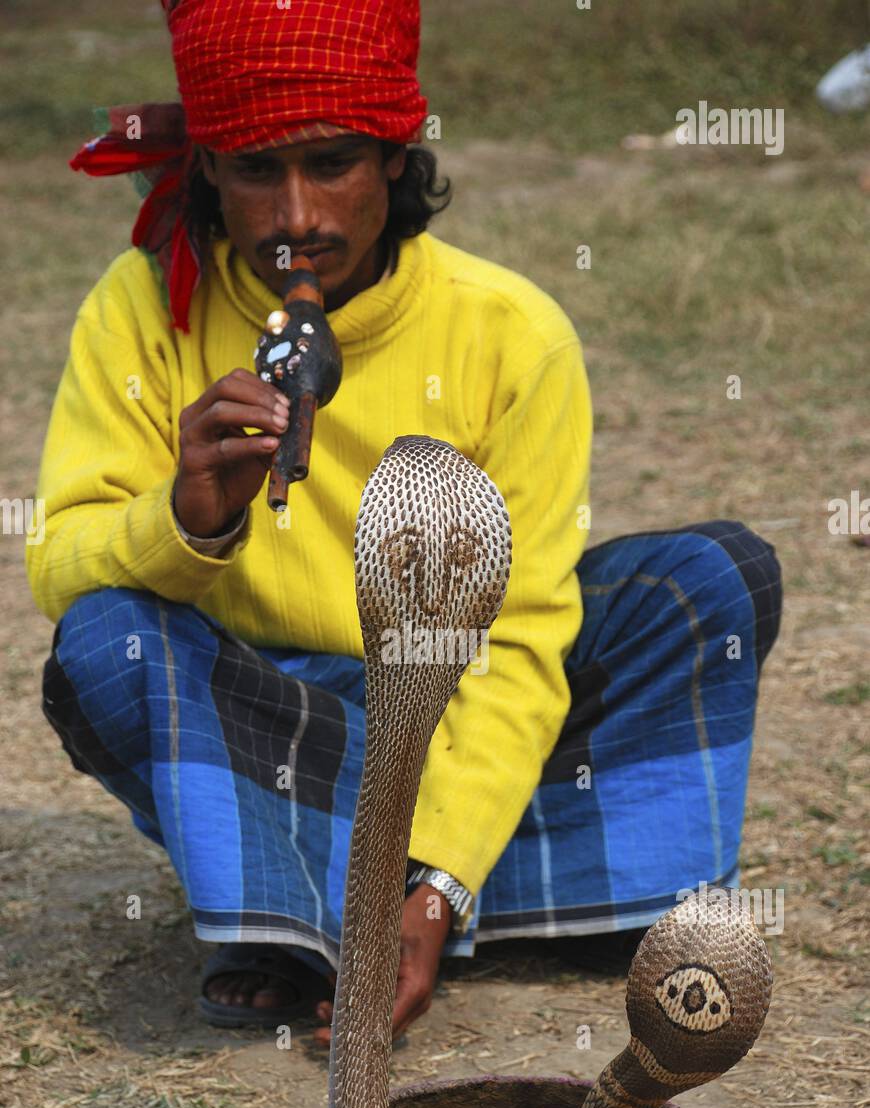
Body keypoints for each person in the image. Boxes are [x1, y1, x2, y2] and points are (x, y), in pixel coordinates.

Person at [27, 0, 782, 1043]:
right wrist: (183, 522)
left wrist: (438, 876)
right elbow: (60, 568)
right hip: (266, 717)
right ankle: (528, 892)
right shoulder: (146, 303)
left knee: (706, 583)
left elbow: (520, 637)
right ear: (205, 169)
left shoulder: (512, 333)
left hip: (449, 713)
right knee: (105, 638)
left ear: (394, 157)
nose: (297, 215)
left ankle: (318, 905)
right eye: (254, 170)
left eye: (332, 161)